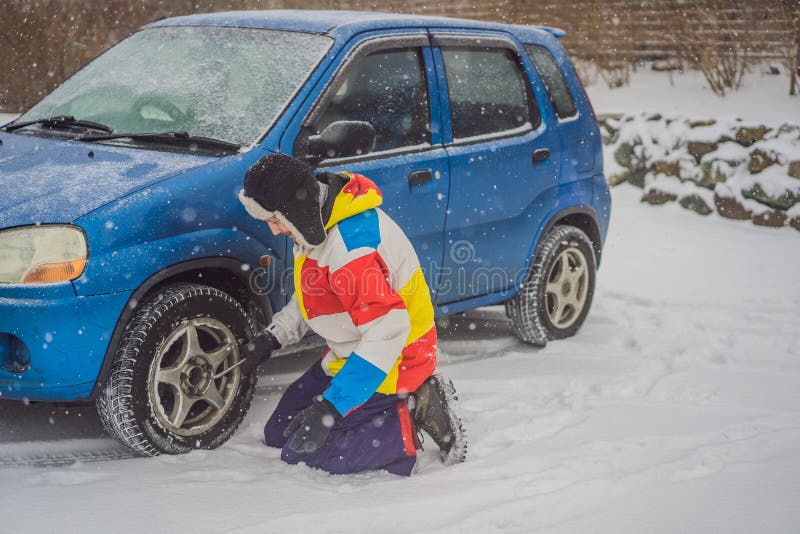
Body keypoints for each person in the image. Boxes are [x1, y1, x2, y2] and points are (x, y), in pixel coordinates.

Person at [239, 153, 467, 476]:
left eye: (274, 219)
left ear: (292, 209)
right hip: (351, 352)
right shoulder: (312, 223)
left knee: (298, 454)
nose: (274, 230)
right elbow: (317, 296)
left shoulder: (350, 250)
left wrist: (331, 405)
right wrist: (273, 336)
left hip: (396, 359)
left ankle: (407, 421)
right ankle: (388, 408)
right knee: (279, 431)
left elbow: (388, 331)